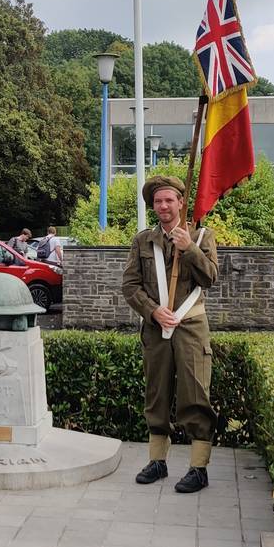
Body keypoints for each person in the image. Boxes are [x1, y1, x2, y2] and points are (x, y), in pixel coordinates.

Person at [120, 175, 219, 493]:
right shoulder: (142, 241)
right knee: (157, 394)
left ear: (180, 203)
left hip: (190, 328)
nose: (163, 206)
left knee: (195, 395)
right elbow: (130, 285)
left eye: (169, 200)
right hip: (155, 330)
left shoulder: (201, 235)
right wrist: (151, 310)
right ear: (154, 206)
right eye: (158, 201)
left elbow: (211, 277)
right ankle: (157, 461)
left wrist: (189, 249)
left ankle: (198, 468)